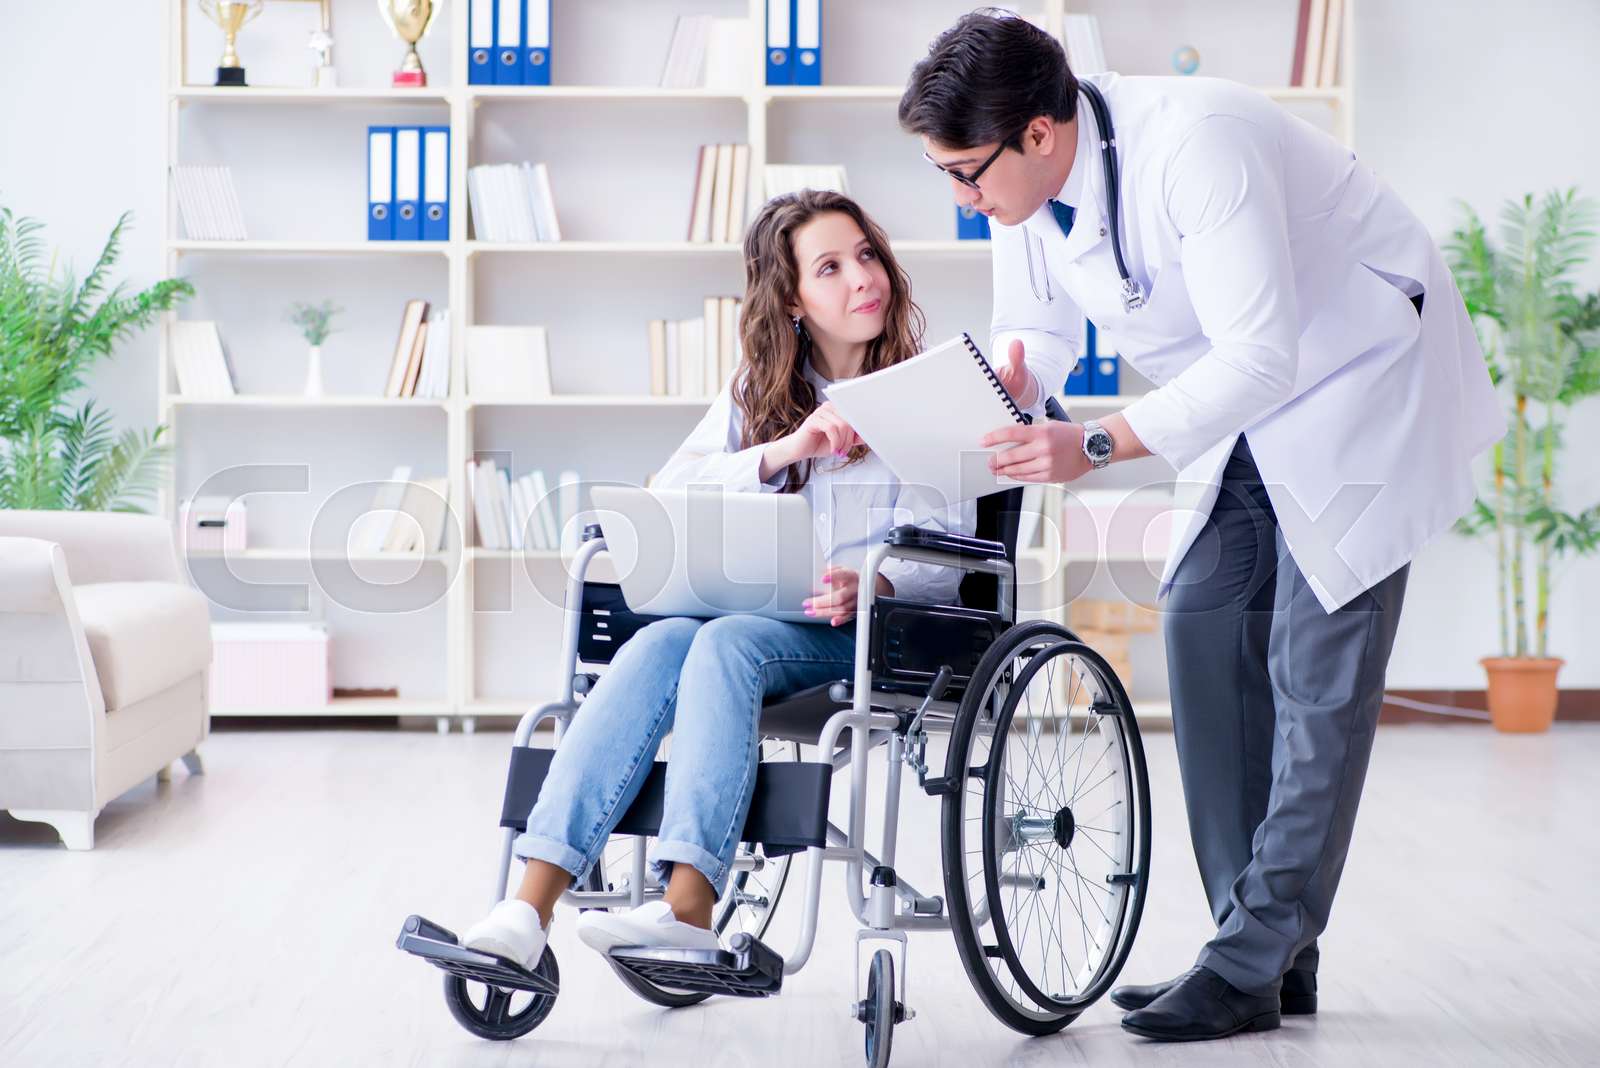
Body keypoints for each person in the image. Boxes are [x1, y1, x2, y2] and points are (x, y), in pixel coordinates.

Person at [897, 10, 1503, 1043]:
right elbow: (1038, 326)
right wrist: (1016, 377)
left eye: (965, 172)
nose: (960, 195)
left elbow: (1259, 355)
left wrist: (1090, 448)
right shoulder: (1020, 187)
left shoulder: (1197, 145)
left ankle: (1247, 958)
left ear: (1038, 134)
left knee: (1317, 676)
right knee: (1199, 624)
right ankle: (1262, 951)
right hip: (1248, 398)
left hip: (1360, 375)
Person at [460, 190, 974, 970]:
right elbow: (668, 496)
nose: (861, 278)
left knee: (724, 644)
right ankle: (527, 910)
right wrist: (783, 450)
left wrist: (877, 585)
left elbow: (960, 557)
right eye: (830, 267)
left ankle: (689, 906)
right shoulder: (760, 393)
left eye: (866, 255)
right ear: (793, 301)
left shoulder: (928, 394)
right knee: (666, 639)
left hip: (872, 639)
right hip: (751, 624)